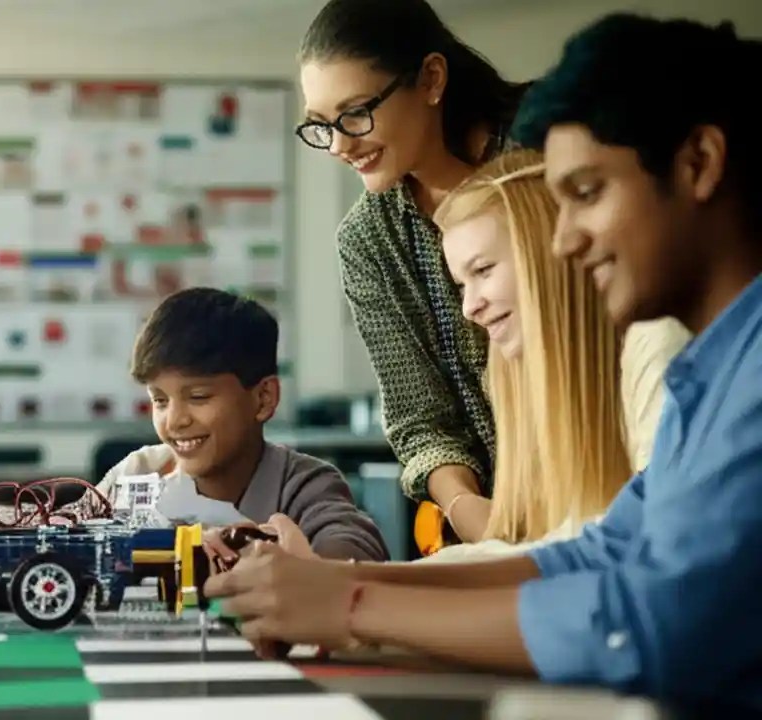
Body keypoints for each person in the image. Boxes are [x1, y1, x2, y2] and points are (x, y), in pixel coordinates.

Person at [205, 14, 762, 712]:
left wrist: (352, 605)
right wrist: (340, 588)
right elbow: (591, 554)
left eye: (584, 194)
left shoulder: (692, 363)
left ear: (699, 164)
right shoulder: (704, 377)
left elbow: (652, 620)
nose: (562, 240)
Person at [296, 0, 527, 542]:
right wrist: (472, 511)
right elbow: (420, 419)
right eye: (320, 126)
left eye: (355, 114)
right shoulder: (368, 239)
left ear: (430, 78)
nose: (339, 145)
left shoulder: (546, 154)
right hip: (491, 521)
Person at [429, 148, 688, 557]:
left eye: (483, 271)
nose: (469, 307)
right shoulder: (514, 379)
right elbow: (550, 549)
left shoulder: (657, 348)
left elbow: (641, 546)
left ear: (550, 259)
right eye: (462, 284)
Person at [95, 287, 388, 562]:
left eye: (198, 397)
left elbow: (352, 553)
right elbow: (65, 534)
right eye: (160, 400)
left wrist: (274, 555)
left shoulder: (304, 486)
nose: (174, 420)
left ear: (263, 399)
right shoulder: (138, 473)